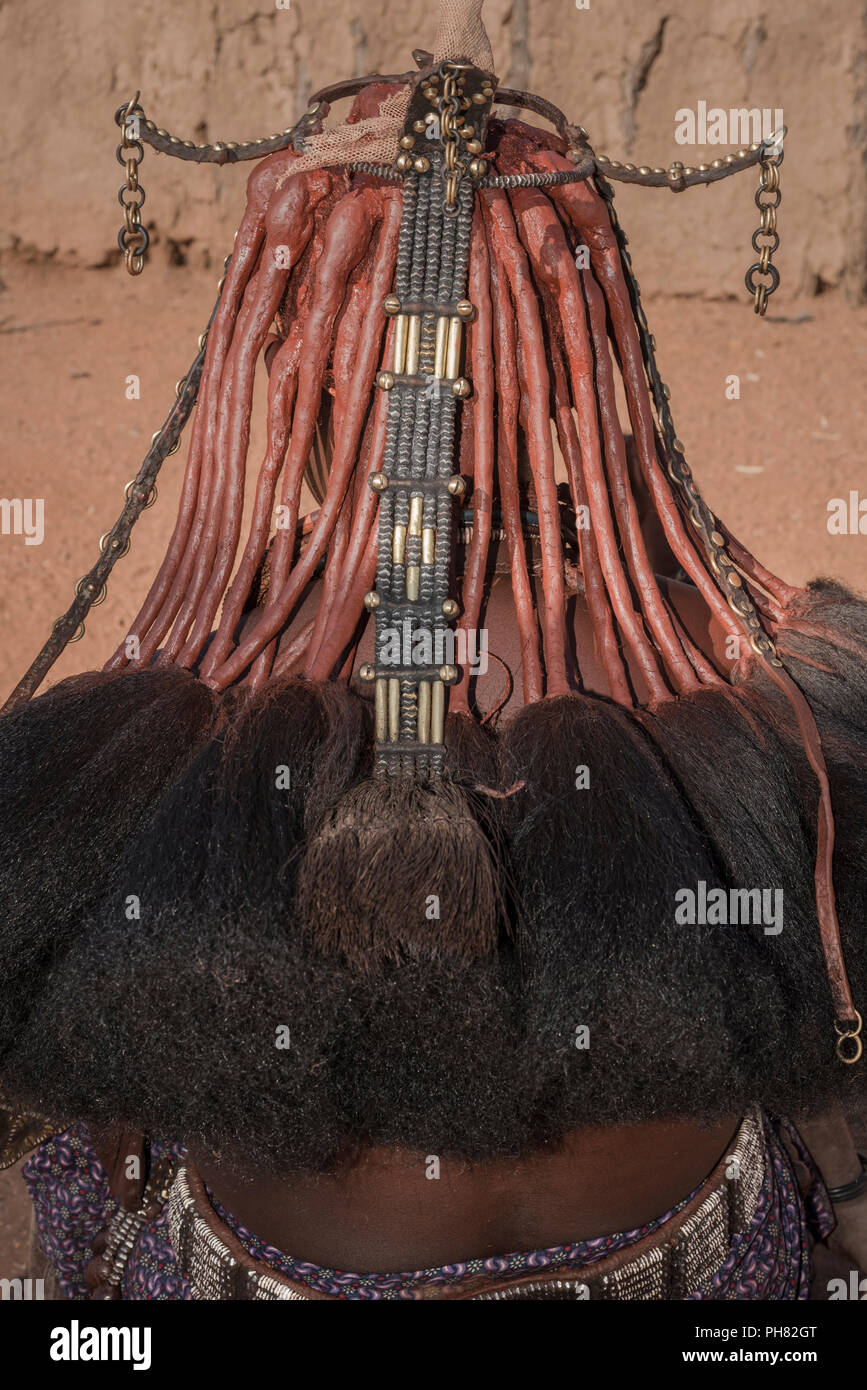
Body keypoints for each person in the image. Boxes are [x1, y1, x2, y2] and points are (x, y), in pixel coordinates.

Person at [1, 0, 865, 1301]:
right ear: (589, 366)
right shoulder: (727, 676)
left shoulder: (200, 700)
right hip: (693, 1267)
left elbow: (118, 1079)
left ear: (307, 371)